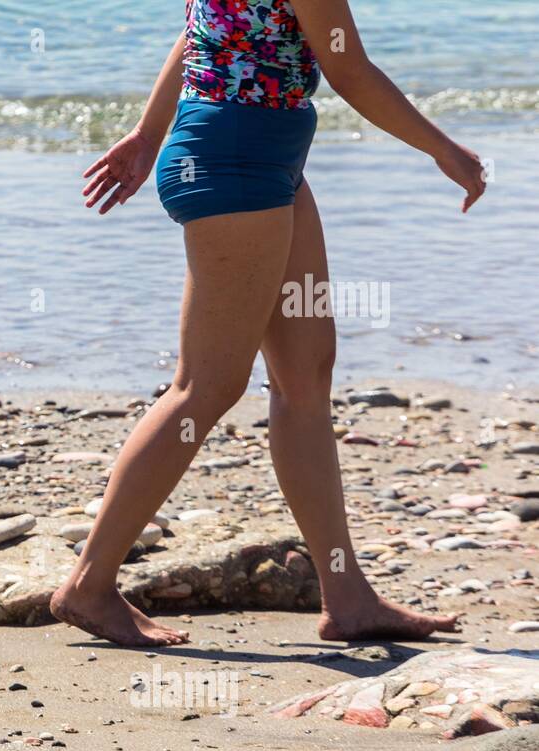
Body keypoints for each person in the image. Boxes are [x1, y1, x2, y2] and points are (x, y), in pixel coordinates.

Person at [50, 0, 486, 647]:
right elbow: (351, 71)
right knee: (205, 387)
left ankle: (348, 597)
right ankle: (88, 583)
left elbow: (196, 35)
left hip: (265, 158)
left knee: (305, 375)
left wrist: (148, 134)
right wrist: (442, 149)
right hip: (235, 164)